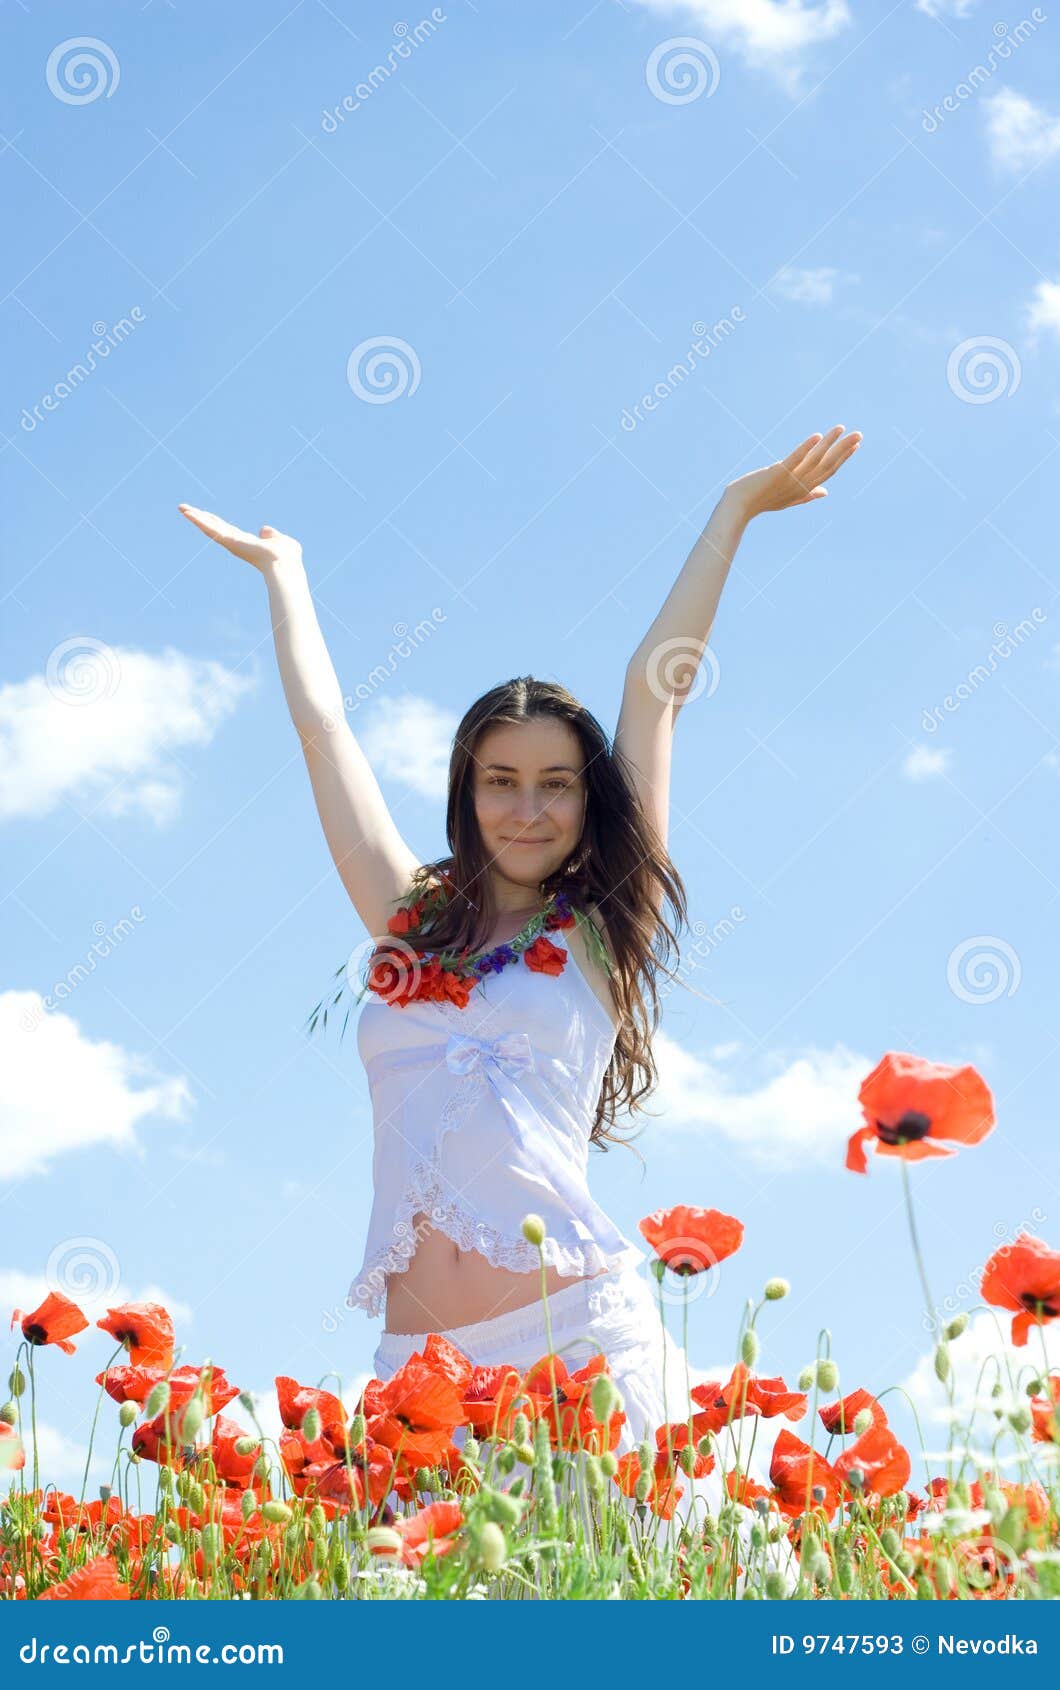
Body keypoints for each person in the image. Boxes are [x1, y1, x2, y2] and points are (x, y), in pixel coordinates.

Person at [177, 424, 861, 1531]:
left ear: (590, 800)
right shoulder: (407, 920)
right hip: (419, 1375)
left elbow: (654, 693)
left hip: (575, 1346)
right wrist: (285, 575)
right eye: (500, 781)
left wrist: (731, 510)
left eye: (556, 783)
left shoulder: (600, 930)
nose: (528, 808)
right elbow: (322, 732)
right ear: (466, 791)